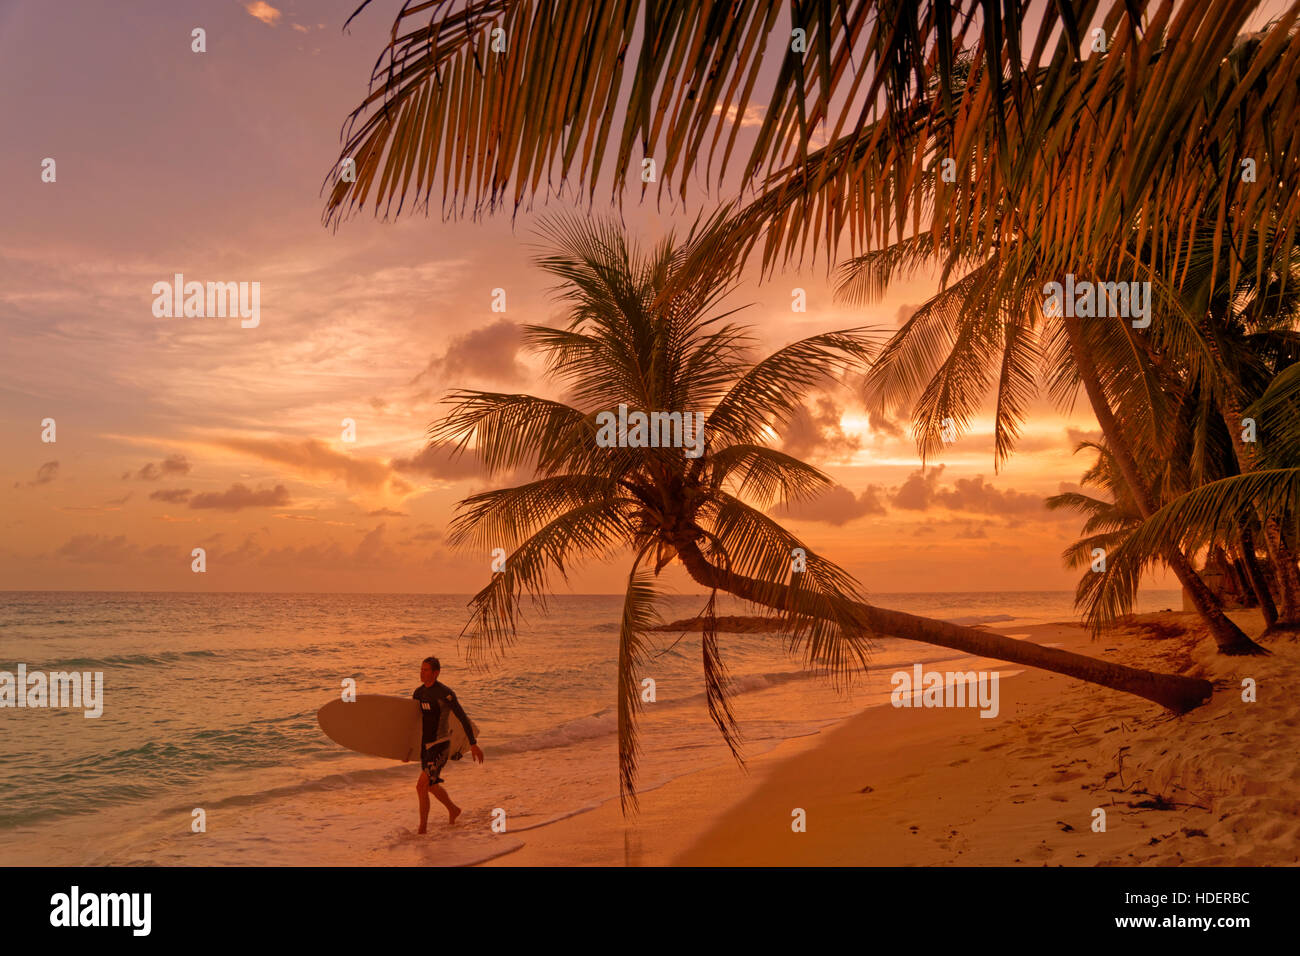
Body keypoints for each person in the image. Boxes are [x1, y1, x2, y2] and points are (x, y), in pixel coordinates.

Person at [411, 656, 484, 833]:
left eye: (426, 670)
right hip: (425, 746)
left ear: (436, 673)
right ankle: (453, 809)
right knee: (432, 786)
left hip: (441, 745)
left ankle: (422, 829)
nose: (422, 672)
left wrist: (473, 744)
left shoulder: (445, 693)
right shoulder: (418, 693)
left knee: (421, 786)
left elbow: (462, 718)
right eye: (421, 669)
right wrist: (407, 749)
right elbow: (415, 723)